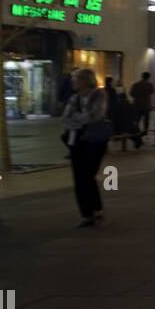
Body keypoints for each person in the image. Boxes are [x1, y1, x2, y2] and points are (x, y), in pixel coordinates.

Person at [60, 68, 111, 227]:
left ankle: (96, 209)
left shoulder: (99, 95)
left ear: (85, 80)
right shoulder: (74, 98)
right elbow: (65, 118)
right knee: (79, 177)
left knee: (87, 175)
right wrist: (81, 119)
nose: (72, 81)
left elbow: (96, 115)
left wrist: (78, 119)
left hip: (95, 141)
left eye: (76, 79)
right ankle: (87, 214)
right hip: (77, 141)